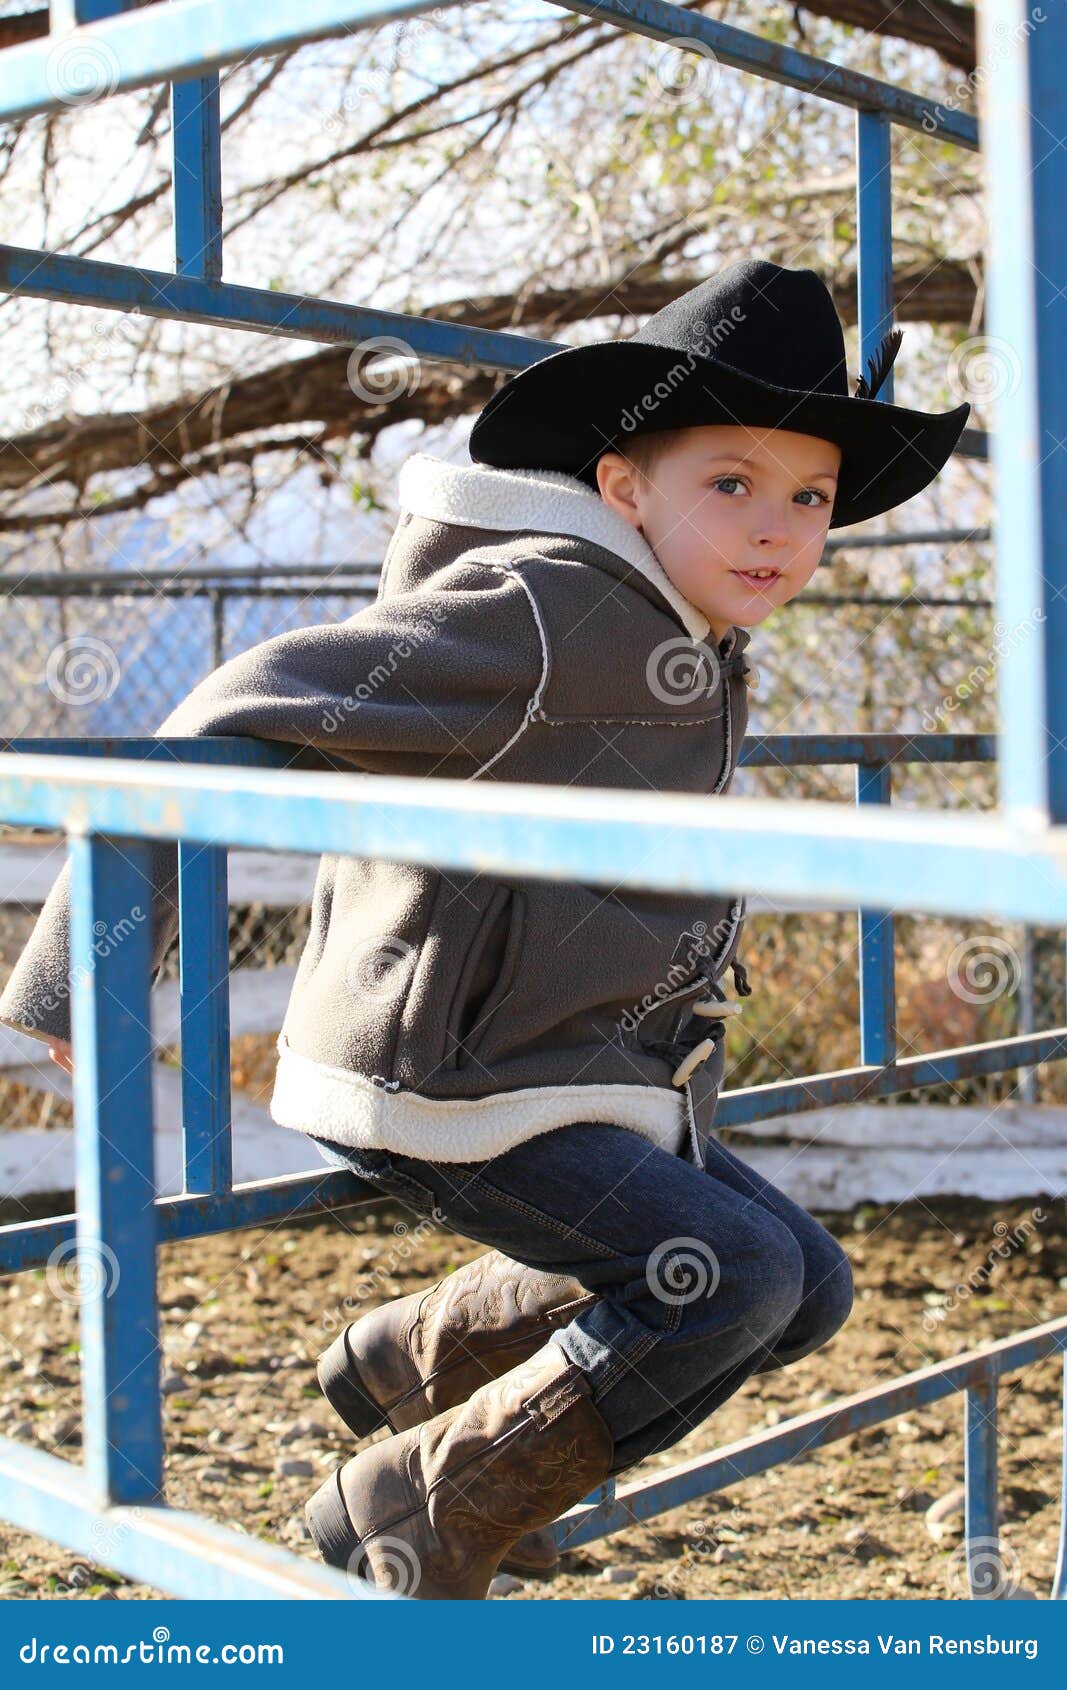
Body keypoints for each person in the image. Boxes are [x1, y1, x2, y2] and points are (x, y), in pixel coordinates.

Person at [0, 259, 970, 1600]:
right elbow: (248, 697)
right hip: (442, 1074)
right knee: (736, 1273)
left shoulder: (674, 622)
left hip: (556, 1072)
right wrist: (66, 981)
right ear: (625, 486)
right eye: (732, 483)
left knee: (807, 1283)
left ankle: (416, 1361)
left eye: (810, 497)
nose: (779, 529)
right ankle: (412, 1507)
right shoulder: (553, 606)